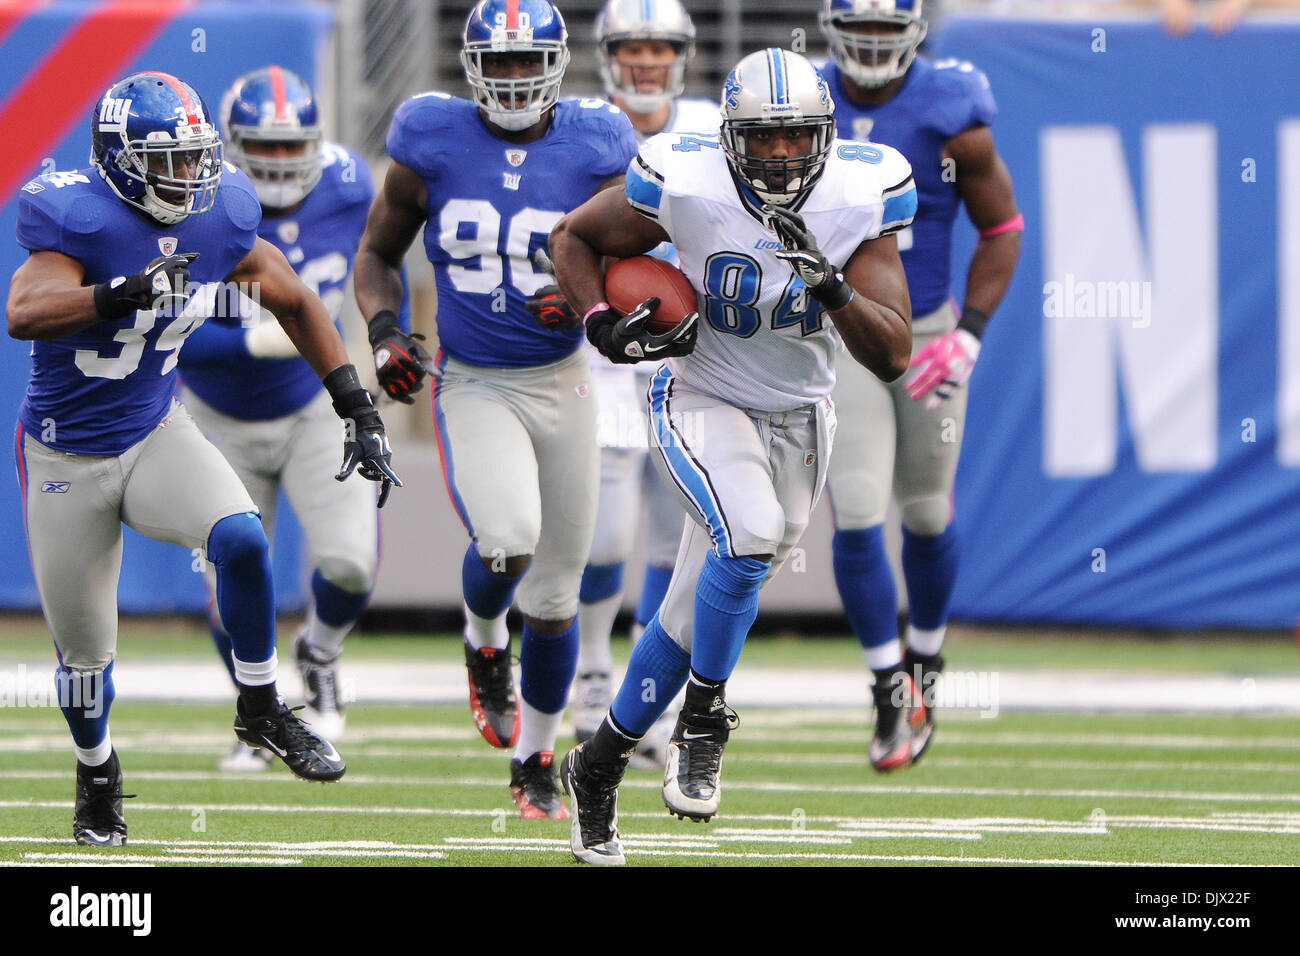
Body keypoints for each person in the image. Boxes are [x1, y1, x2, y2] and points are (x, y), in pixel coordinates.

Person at [7, 70, 399, 846]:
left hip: (156, 432)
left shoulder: (217, 214)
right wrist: (113, 295)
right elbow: (23, 310)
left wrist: (354, 404)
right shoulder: (74, 214)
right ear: (120, 160)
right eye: (170, 161)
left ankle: (260, 706)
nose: (190, 177)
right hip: (65, 456)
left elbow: (291, 297)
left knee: (242, 538)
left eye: (197, 158)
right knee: (86, 663)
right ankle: (96, 772)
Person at [550, 48, 917, 864]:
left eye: (797, 139)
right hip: (701, 397)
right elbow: (571, 237)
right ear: (728, 138)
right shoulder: (685, 179)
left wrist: (833, 287)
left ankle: (598, 766)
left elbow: (892, 354)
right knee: (748, 535)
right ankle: (704, 718)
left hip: (799, 416)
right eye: (764, 139)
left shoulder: (864, 191)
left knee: (690, 612)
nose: (782, 156)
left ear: (824, 136)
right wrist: (598, 326)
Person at [352, 0, 638, 819]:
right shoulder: (431, 137)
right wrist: (382, 333)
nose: (513, 78)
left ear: (556, 64)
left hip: (565, 380)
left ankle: (537, 754)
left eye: (527, 62)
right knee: (508, 538)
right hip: (475, 377)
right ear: (471, 65)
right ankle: (483, 640)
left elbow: (635, 247)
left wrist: (589, 296)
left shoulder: (598, 140)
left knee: (557, 596)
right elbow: (377, 252)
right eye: (498, 62)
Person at [817, 0, 1022, 770]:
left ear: (911, 35)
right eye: (857, 29)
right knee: (860, 511)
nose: (870, 46)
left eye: (884, 30)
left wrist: (968, 332)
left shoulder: (952, 107)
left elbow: (1002, 229)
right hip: (840, 330)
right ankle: (885, 687)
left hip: (928, 331)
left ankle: (926, 663)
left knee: (928, 514)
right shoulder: (802, 103)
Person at [177, 66, 397, 770]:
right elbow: (169, 330)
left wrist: (383, 339)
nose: (277, 162)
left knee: (351, 564)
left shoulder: (350, 185)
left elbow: (380, 261)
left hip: (312, 404)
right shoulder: (193, 201)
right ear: (231, 148)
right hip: (214, 416)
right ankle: (258, 720)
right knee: (230, 584)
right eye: (261, 149)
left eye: (289, 146)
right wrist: (250, 339)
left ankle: (320, 649)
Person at [568, 0, 720, 763]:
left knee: (677, 529)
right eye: (634, 46)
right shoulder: (582, 124)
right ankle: (591, 671)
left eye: (663, 47)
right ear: (608, 54)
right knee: (604, 537)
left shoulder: (714, 124)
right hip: (605, 348)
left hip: (690, 346)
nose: (649, 60)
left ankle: (644, 695)